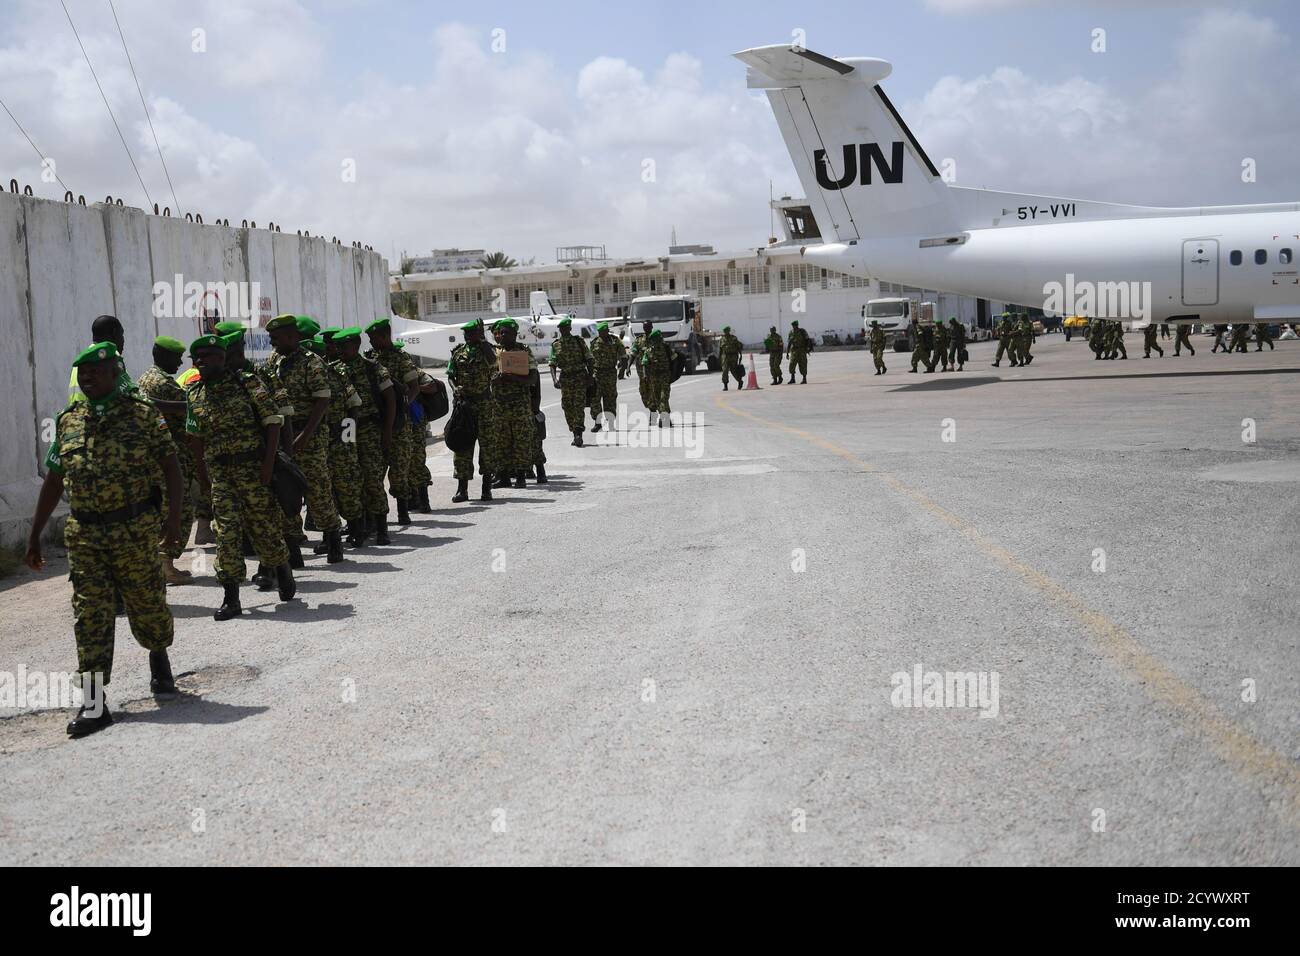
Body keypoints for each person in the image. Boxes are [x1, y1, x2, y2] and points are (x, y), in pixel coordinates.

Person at [26, 342, 183, 738]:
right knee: (90, 616)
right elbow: (53, 479)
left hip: (134, 530)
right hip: (85, 535)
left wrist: (174, 519)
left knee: (146, 603)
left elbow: (171, 467)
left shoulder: (143, 414)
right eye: (82, 372)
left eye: (96, 371)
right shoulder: (69, 421)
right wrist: (34, 535)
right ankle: (94, 705)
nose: (88, 377)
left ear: (115, 372)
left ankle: (158, 656)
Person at [185, 334, 296, 619]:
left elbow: (273, 423)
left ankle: (282, 568)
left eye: (207, 357)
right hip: (221, 474)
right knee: (226, 535)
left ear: (222, 358)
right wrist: (204, 478)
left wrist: (269, 466)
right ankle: (231, 598)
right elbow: (195, 439)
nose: (201, 363)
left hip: (253, 470)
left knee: (265, 529)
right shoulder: (195, 394)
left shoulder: (247, 384)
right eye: (197, 358)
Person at [265, 314, 343, 563]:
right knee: (285, 490)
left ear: (292, 337)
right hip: (283, 434)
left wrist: (303, 437)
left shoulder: (313, 363)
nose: (272, 343)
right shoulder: (274, 360)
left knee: (317, 489)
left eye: (276, 338)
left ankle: (333, 539)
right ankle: (293, 547)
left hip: (308, 434)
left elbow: (322, 401)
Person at [137, 335, 198, 583]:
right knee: (180, 510)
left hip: (151, 458)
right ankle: (165, 564)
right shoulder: (164, 384)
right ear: (163, 356)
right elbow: (190, 406)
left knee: (160, 511)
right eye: (176, 358)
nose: (180, 363)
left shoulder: (145, 378)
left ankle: (157, 564)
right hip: (170, 457)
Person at [336, 327, 398, 540]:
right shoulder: (335, 370)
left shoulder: (373, 368)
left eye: (343, 346)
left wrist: (387, 432)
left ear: (355, 346)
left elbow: (391, 401)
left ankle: (381, 528)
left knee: (372, 478)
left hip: (370, 428)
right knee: (351, 477)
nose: (340, 350)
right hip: (347, 428)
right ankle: (358, 527)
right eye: (338, 347)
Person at [365, 317, 421, 525]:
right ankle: (375, 515)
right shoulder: (369, 358)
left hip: (398, 425)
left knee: (398, 470)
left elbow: (413, 386)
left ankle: (403, 511)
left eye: (373, 338)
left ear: (384, 336)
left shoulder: (401, 358)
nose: (370, 342)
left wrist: (402, 406)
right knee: (374, 471)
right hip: (375, 423)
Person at [316, 329, 366, 547]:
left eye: (331, 345)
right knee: (324, 489)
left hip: (341, 435)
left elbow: (354, 404)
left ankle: (357, 528)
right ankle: (330, 535)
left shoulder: (338, 374)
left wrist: (348, 436)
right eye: (325, 345)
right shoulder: (315, 375)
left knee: (346, 484)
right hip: (319, 439)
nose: (329, 349)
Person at [446, 319, 498, 501]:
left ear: (478, 333)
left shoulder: (487, 350)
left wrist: (483, 341)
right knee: (462, 446)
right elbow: (450, 375)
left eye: (471, 333)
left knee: (487, 446)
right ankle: (462, 489)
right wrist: (454, 388)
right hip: (465, 406)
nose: (468, 337)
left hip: (484, 405)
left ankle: (486, 487)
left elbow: (494, 363)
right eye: (466, 334)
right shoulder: (458, 352)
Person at [488, 318, 537, 487]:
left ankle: (521, 476)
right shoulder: (494, 352)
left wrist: (512, 377)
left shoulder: (523, 352)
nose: (502, 335)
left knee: (521, 440)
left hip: (519, 405)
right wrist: (495, 380)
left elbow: (532, 378)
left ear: (515, 334)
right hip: (499, 405)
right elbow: (487, 376)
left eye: (505, 333)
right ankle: (503, 477)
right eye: (500, 333)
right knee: (501, 440)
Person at [549, 317, 592, 446]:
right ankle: (574, 432)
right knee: (567, 406)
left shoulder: (579, 341)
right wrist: (555, 379)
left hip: (579, 377)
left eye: (566, 328)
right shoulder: (556, 345)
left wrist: (590, 376)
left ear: (570, 328)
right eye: (561, 328)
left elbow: (589, 358)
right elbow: (552, 363)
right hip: (566, 379)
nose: (563, 330)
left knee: (578, 405)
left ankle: (578, 434)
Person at [588, 321, 623, 433]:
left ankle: (611, 423)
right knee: (595, 399)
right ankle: (597, 423)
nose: (601, 333)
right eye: (599, 332)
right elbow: (589, 358)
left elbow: (623, 354)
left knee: (610, 399)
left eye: (603, 331)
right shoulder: (594, 343)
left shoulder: (615, 341)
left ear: (607, 331)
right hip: (597, 374)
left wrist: (623, 364)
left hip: (610, 373)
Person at [643, 328, 674, 426]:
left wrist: (672, 374)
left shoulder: (666, 348)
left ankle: (664, 418)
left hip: (665, 376)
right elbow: (644, 363)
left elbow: (674, 360)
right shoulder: (649, 351)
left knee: (664, 397)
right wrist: (645, 376)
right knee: (657, 398)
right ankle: (665, 417)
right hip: (654, 377)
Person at [630, 320, 655, 416]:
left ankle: (654, 413)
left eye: (648, 327)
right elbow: (633, 353)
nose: (646, 329)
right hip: (642, 372)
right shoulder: (639, 340)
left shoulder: (656, 339)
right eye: (645, 327)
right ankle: (651, 409)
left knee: (654, 392)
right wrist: (628, 367)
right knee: (644, 393)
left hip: (654, 372)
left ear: (652, 327)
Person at [718, 326, 744, 391]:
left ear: (728, 331)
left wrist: (740, 355)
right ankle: (725, 385)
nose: (725, 333)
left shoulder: (734, 338)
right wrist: (719, 358)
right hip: (725, 356)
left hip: (733, 356)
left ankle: (740, 381)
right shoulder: (722, 339)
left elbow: (739, 346)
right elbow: (720, 349)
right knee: (725, 371)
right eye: (724, 331)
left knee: (733, 371)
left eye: (726, 331)